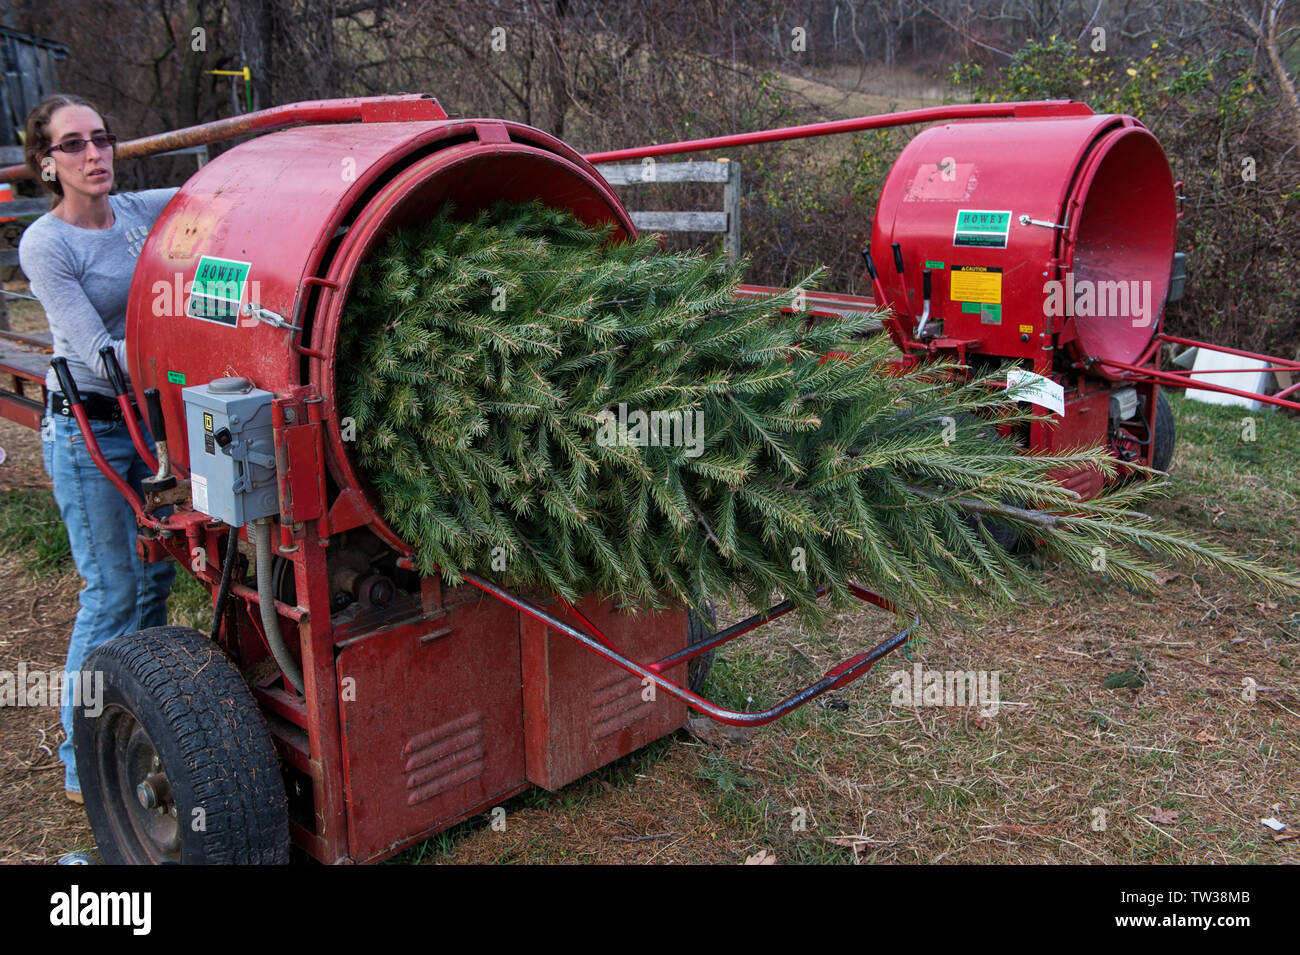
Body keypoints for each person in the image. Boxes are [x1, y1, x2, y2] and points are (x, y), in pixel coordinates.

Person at [18, 94, 177, 805]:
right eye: (74, 145)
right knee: (110, 591)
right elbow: (98, 350)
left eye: (103, 140)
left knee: (157, 580)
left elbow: (218, 190)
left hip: (148, 419)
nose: (94, 155)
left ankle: (136, 711)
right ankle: (82, 759)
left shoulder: (139, 212)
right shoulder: (47, 245)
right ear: (47, 163)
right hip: (90, 428)